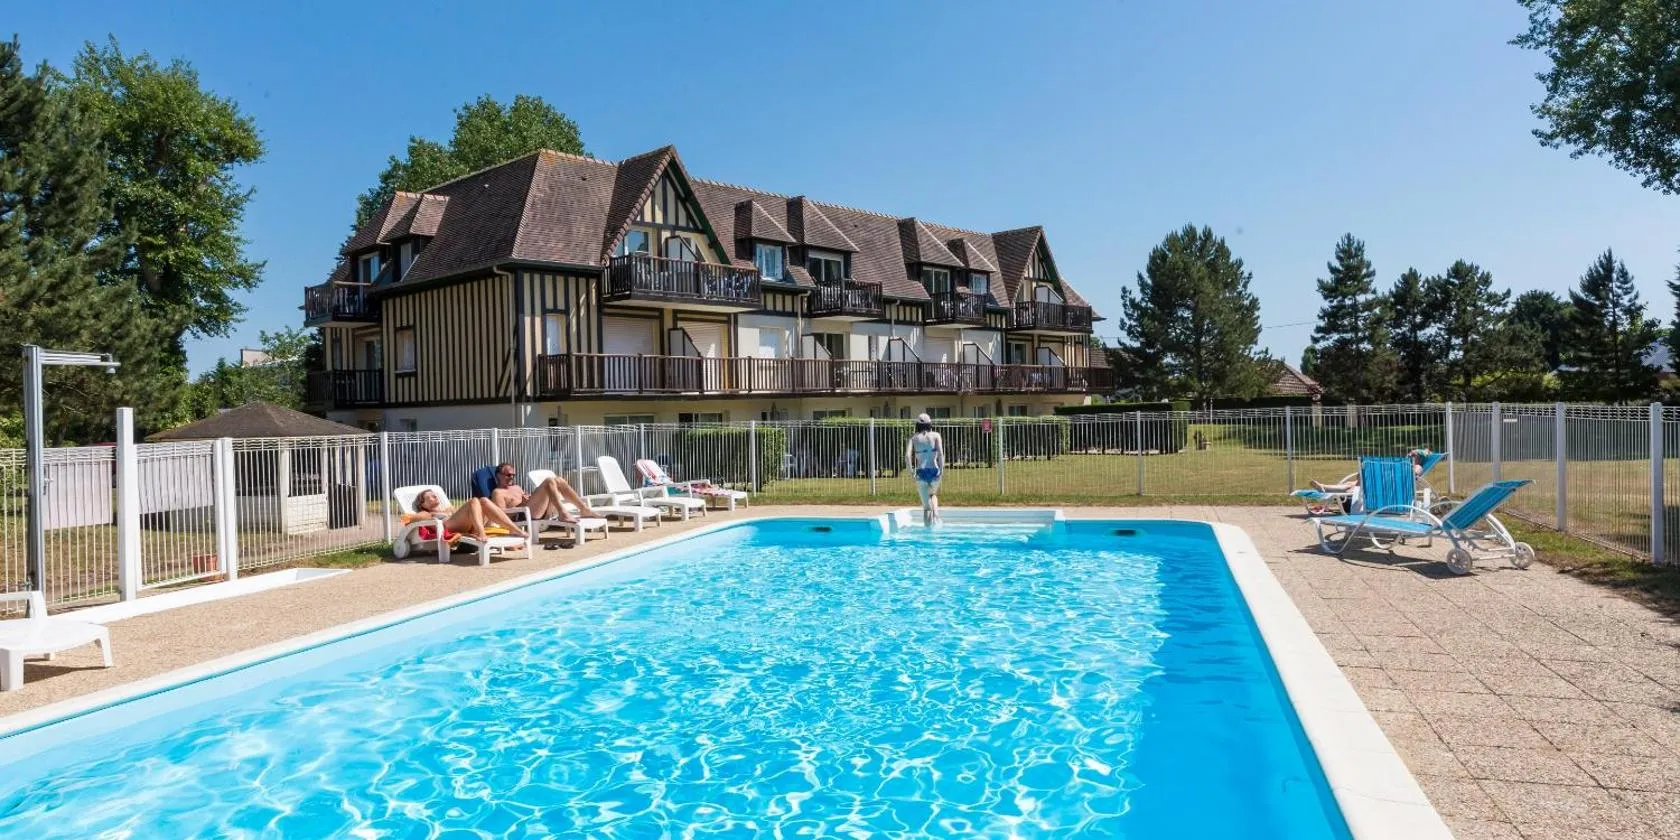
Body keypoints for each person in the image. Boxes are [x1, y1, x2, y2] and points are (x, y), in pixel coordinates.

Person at [470, 462, 602, 523]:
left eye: (513, 475)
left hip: (537, 511)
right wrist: (522, 505)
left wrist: (528, 498)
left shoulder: (517, 487)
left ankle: (584, 509)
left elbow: (528, 501)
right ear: (498, 475)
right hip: (524, 516)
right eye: (508, 475)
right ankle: (562, 513)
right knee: (549, 481)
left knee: (558, 480)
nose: (511, 477)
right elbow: (502, 516)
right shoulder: (497, 493)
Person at [406, 489, 528, 550]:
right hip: (448, 526)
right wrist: (432, 514)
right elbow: (411, 519)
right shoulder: (425, 513)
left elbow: (464, 513)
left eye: (434, 494)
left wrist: (449, 511)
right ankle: (481, 533)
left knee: (484, 500)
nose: (434, 496)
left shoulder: (448, 508)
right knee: (473, 501)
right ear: (423, 504)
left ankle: (514, 529)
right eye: (429, 497)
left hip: (466, 525)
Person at [1310, 448, 1431, 493]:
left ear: (1418, 459)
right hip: (1383, 482)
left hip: (1387, 487)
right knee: (1350, 483)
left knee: (1353, 487)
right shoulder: (1404, 464)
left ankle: (1326, 488)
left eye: (1412, 455)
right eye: (1409, 453)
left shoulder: (1417, 467)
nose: (1408, 455)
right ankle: (1324, 487)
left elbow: (1412, 475)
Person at [905, 413, 945, 526]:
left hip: (921, 472)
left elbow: (907, 456)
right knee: (932, 494)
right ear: (929, 424)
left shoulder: (913, 438)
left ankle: (927, 531)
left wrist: (911, 471)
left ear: (917, 424)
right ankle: (936, 513)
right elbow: (941, 454)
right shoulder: (936, 435)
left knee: (926, 508)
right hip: (934, 470)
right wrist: (942, 470)